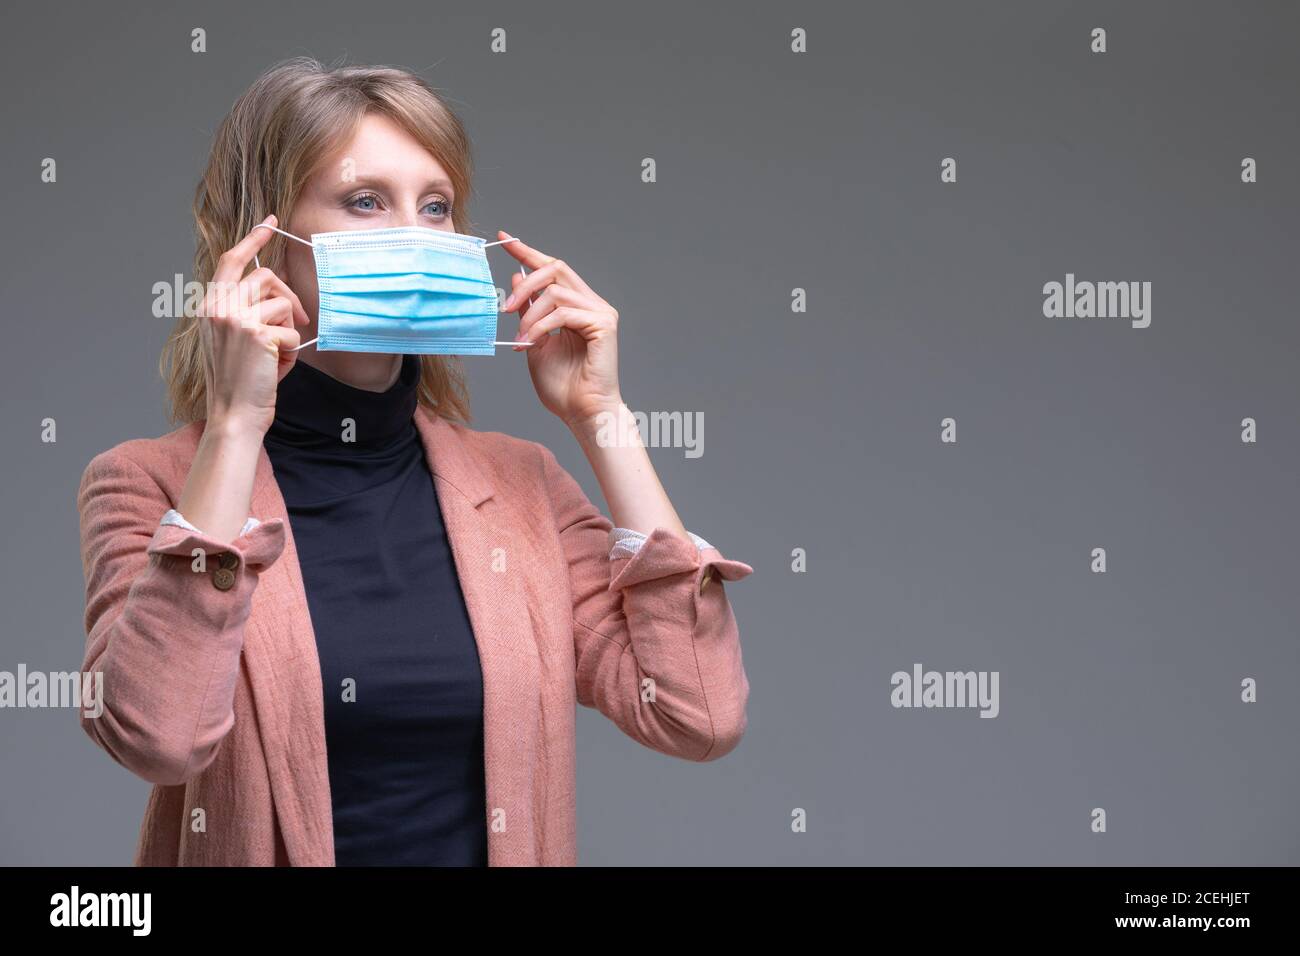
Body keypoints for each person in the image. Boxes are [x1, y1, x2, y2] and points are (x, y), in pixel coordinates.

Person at [75, 57, 753, 867]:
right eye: (366, 202)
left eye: (437, 207)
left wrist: (602, 418)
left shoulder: (521, 485)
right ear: (265, 241)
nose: (415, 236)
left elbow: (697, 715)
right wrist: (232, 429)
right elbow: (159, 738)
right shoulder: (145, 481)